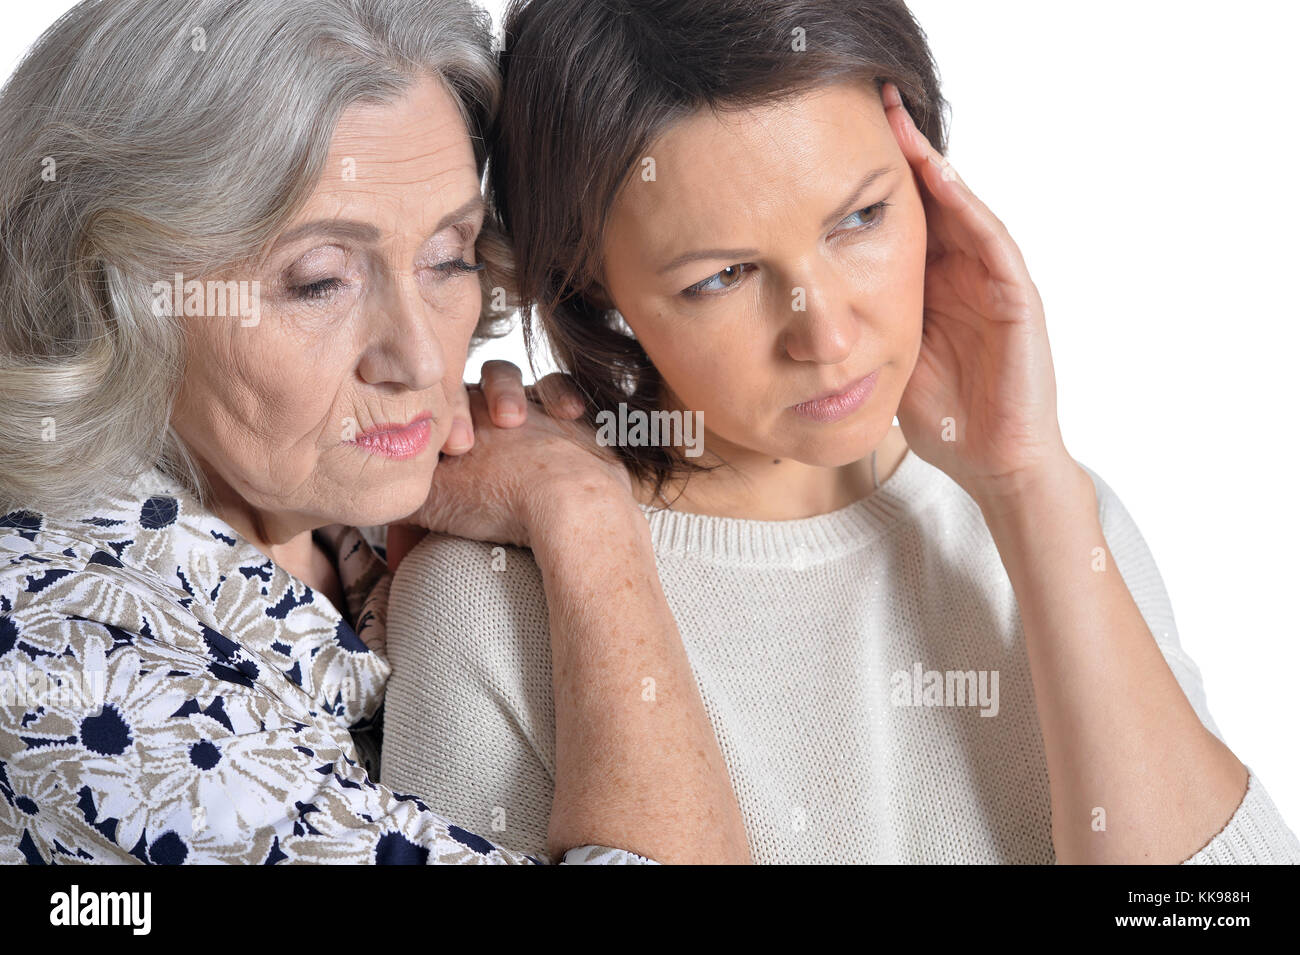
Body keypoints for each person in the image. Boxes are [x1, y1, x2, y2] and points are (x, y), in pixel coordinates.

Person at [380, 0, 1300, 864]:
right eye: (723, 276)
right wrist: (584, 522)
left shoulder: (1059, 517)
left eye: (861, 217)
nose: (825, 334)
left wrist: (1029, 486)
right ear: (590, 287)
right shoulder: (485, 603)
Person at [0, 0, 749, 865]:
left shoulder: (350, 525)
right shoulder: (61, 652)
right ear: (109, 295)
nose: (423, 356)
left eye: (447, 257)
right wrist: (586, 516)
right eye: (319, 281)